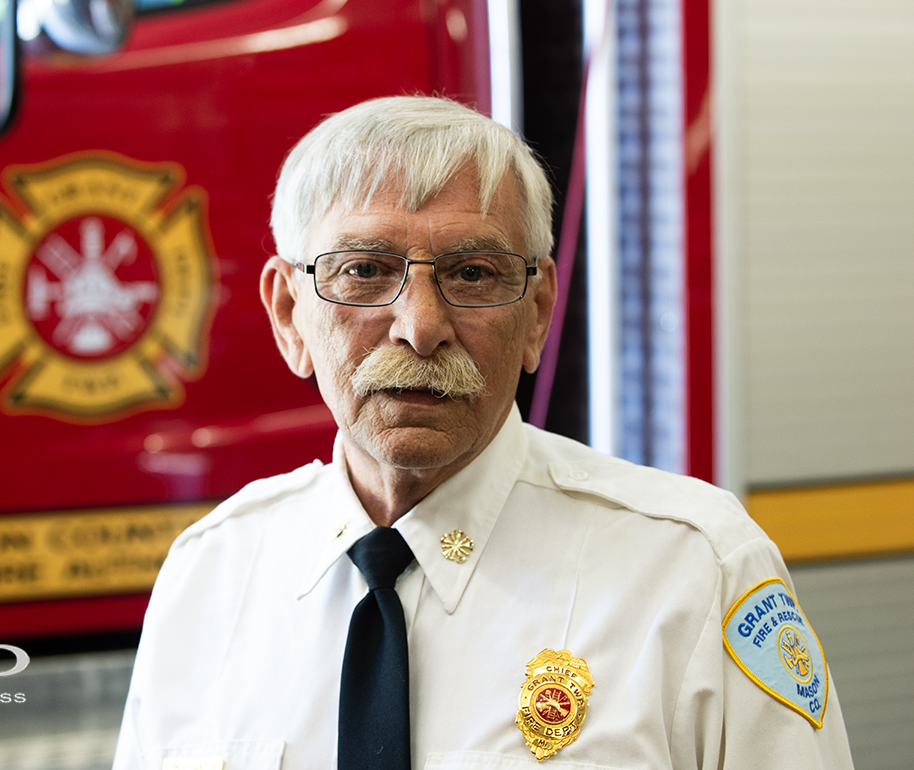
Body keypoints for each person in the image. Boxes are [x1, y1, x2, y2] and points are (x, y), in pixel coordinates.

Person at [111, 96, 853, 770]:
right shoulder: (208, 578)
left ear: (537, 315)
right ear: (288, 316)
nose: (420, 327)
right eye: (364, 270)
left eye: (471, 273)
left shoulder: (694, 570)